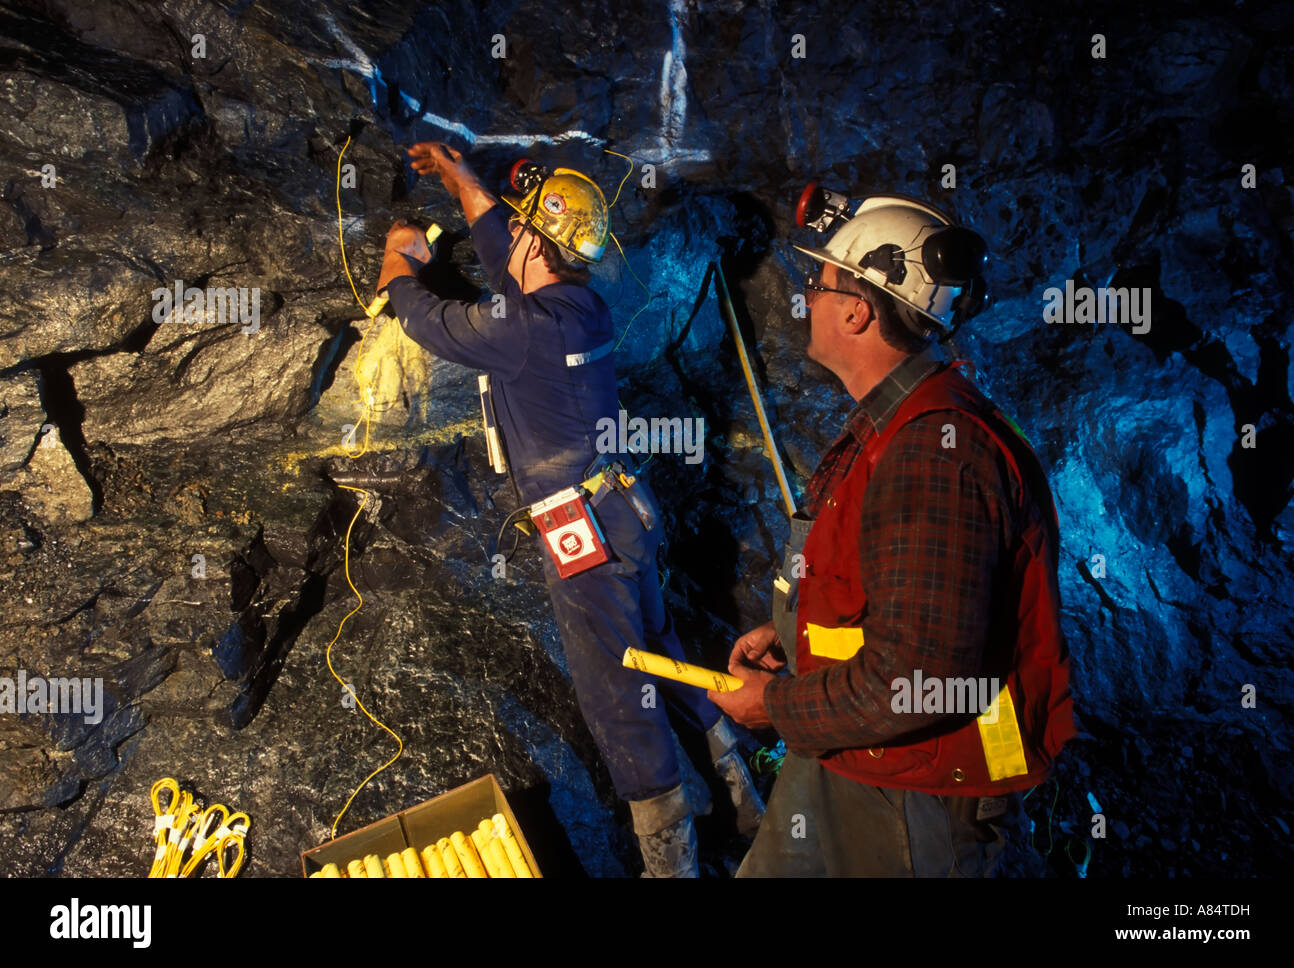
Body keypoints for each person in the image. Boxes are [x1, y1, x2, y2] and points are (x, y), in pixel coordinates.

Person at [376, 141, 763, 877]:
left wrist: (399, 257)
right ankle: (744, 797)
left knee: (619, 690)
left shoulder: (522, 331)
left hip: (582, 531)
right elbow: (502, 246)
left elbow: (422, 317)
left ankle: (669, 858)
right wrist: (462, 179)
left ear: (533, 239)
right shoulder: (578, 304)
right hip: (625, 508)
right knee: (664, 653)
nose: (508, 239)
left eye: (518, 230)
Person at [708, 191, 1077, 876]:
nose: (808, 298)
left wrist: (775, 705)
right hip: (858, 756)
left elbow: (918, 675)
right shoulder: (898, 424)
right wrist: (797, 631)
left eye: (818, 283)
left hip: (914, 793)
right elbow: (893, 593)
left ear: (857, 309)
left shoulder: (933, 453)